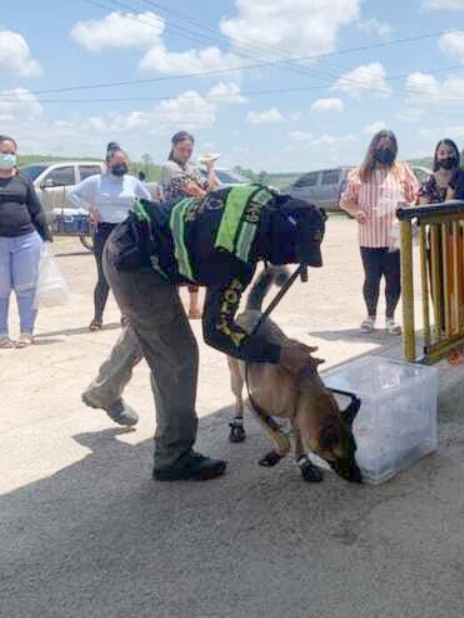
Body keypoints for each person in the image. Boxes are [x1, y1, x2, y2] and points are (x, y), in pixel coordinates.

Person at [81, 183, 328, 480]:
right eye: (292, 253)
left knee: (151, 328)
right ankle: (173, 457)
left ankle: (102, 392)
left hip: (138, 243)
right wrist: (278, 354)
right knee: (178, 356)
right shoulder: (234, 252)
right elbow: (218, 331)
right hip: (135, 264)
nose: (288, 261)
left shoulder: (265, 199)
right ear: (278, 239)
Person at [338, 129, 420, 334]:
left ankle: (391, 318)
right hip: (369, 236)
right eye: (381, 146)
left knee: (394, 279)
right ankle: (370, 316)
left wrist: (407, 207)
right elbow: (345, 201)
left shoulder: (402, 171)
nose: (385, 150)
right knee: (371, 278)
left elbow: (414, 196)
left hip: (393, 236)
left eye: (389, 147)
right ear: (373, 147)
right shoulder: (358, 174)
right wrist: (357, 212)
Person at [68, 143, 154, 331]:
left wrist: (138, 214)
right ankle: (97, 318)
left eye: (124, 162)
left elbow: (148, 200)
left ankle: (127, 315)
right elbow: (73, 194)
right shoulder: (96, 181)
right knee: (104, 276)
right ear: (108, 163)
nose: (121, 166)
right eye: (117, 162)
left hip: (127, 231)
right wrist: (89, 210)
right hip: (104, 230)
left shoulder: (132, 182)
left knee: (127, 275)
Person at [159, 130, 219, 320]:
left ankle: (193, 308)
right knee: (172, 263)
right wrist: (211, 201)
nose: (186, 153)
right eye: (182, 149)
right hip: (173, 220)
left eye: (189, 150)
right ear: (173, 147)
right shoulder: (169, 166)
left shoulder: (191, 168)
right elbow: (192, 189)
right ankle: (172, 308)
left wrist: (210, 168)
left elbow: (210, 186)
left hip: (192, 221)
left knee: (194, 262)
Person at [0, 134, 50, 349]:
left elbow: (36, 209)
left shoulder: (23, 179)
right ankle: (2, 334)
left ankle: (26, 332)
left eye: (12, 153)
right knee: (1, 290)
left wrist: (46, 236)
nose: (9, 157)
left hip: (26, 240)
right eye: (4, 153)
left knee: (26, 288)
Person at [418, 138, 459, 205]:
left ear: (456, 154)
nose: (446, 156)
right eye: (442, 153)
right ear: (437, 157)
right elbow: (423, 208)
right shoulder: (429, 181)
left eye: (450, 152)